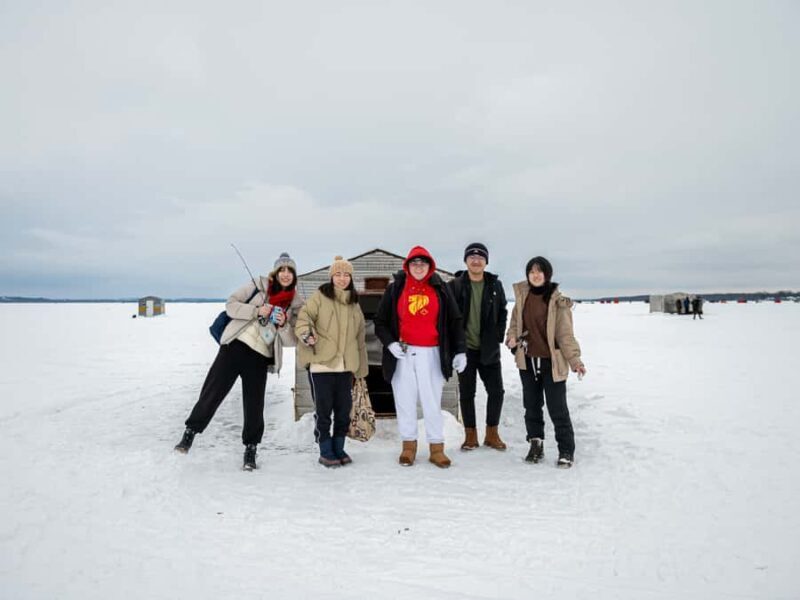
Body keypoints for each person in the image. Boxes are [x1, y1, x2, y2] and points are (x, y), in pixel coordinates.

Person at [174, 252, 303, 471]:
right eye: (281, 270)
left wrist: (283, 325)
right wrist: (257, 310)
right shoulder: (258, 284)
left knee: (254, 405)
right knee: (212, 392)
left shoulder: (295, 303)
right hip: (234, 347)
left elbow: (292, 340)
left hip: (260, 356)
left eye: (289, 271)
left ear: (294, 276)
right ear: (275, 272)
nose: (285, 274)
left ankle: (251, 449)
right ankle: (190, 433)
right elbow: (231, 305)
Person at [374, 246, 467, 468]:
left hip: (431, 353)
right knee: (404, 400)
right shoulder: (396, 288)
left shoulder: (440, 288)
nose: (418, 267)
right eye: (414, 263)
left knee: (431, 401)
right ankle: (409, 446)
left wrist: (460, 350)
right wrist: (390, 343)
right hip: (403, 353)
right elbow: (380, 321)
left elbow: (454, 321)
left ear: (430, 266)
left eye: (423, 263)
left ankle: (437, 448)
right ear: (407, 266)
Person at [506, 256, 586, 469]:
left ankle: (566, 450)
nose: (535, 275)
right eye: (531, 271)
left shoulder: (558, 302)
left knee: (557, 408)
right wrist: (511, 338)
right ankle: (536, 445)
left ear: (547, 274)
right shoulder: (522, 297)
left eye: (539, 271)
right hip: (528, 361)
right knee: (531, 406)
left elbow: (565, 335)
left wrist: (575, 361)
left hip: (552, 363)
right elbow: (514, 325)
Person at [295, 256, 368, 467]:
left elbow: (360, 339)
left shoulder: (354, 304)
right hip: (321, 365)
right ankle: (325, 450)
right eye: (338, 274)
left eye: (346, 275)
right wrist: (307, 334)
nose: (342, 278)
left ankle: (339, 447)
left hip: (345, 367)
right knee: (324, 411)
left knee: (343, 411)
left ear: (351, 278)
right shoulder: (319, 297)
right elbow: (304, 319)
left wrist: (361, 370)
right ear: (331, 277)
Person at [447, 243, 508, 451]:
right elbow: (449, 316)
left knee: (497, 392)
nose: (476, 260)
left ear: (486, 262)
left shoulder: (494, 285)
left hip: (489, 349)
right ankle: (470, 436)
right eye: (472, 257)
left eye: (480, 257)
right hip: (465, 350)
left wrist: (498, 335)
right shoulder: (455, 285)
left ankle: (492, 434)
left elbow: (502, 311)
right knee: (467, 393)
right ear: (465, 260)